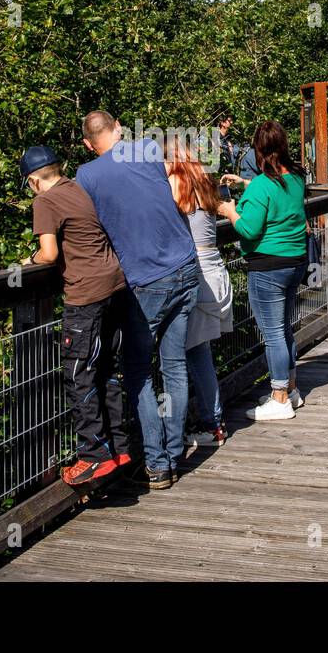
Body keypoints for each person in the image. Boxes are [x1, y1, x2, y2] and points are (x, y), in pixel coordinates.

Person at [76, 111, 201, 489]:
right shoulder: (146, 149)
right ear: (118, 130)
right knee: (175, 365)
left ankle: (158, 463)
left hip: (145, 280)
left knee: (138, 371)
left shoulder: (86, 176)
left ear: (87, 144)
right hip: (186, 264)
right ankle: (175, 451)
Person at [20, 145, 131, 485]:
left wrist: (29, 262)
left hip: (86, 294)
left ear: (35, 180)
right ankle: (119, 447)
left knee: (79, 373)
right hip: (115, 285)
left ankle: (94, 455)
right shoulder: (77, 188)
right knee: (107, 370)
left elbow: (50, 253)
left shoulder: (45, 201)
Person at [218, 120, 309, 421]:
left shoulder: (261, 185)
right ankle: (291, 390)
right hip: (295, 261)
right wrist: (245, 184)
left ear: (258, 150)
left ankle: (279, 397)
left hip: (267, 267)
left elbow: (248, 228)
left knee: (272, 335)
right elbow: (276, 189)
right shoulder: (296, 178)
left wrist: (231, 210)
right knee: (284, 328)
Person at [165, 137, 232, 448]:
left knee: (192, 354)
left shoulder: (177, 185)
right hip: (214, 268)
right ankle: (211, 419)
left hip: (197, 273)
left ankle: (212, 423)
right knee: (198, 351)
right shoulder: (204, 182)